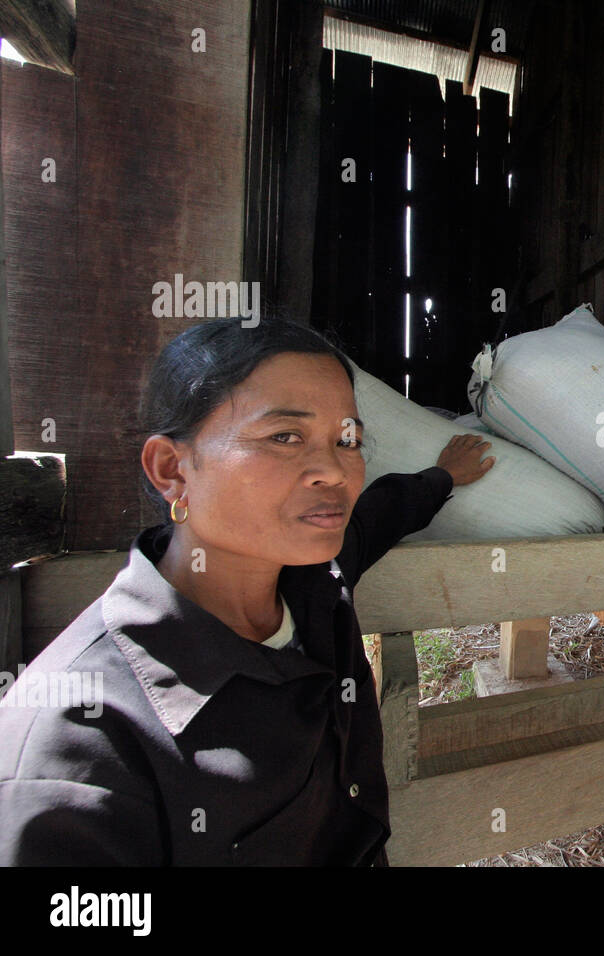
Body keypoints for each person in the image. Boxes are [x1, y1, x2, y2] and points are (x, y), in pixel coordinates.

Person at [0, 317, 495, 865]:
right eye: (284, 436)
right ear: (173, 469)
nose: (332, 470)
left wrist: (443, 476)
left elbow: (379, 514)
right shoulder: (78, 749)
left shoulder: (314, 580)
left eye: (347, 439)